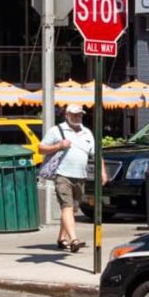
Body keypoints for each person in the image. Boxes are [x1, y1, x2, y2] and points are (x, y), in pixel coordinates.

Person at [40, 104, 96, 252]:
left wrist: (101, 172)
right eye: (74, 114)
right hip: (63, 174)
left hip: (80, 176)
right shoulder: (56, 130)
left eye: (80, 115)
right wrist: (59, 145)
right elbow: (41, 148)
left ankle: (61, 239)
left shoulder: (87, 132)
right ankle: (74, 240)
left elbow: (95, 154)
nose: (77, 117)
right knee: (67, 206)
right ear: (67, 115)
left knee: (72, 210)